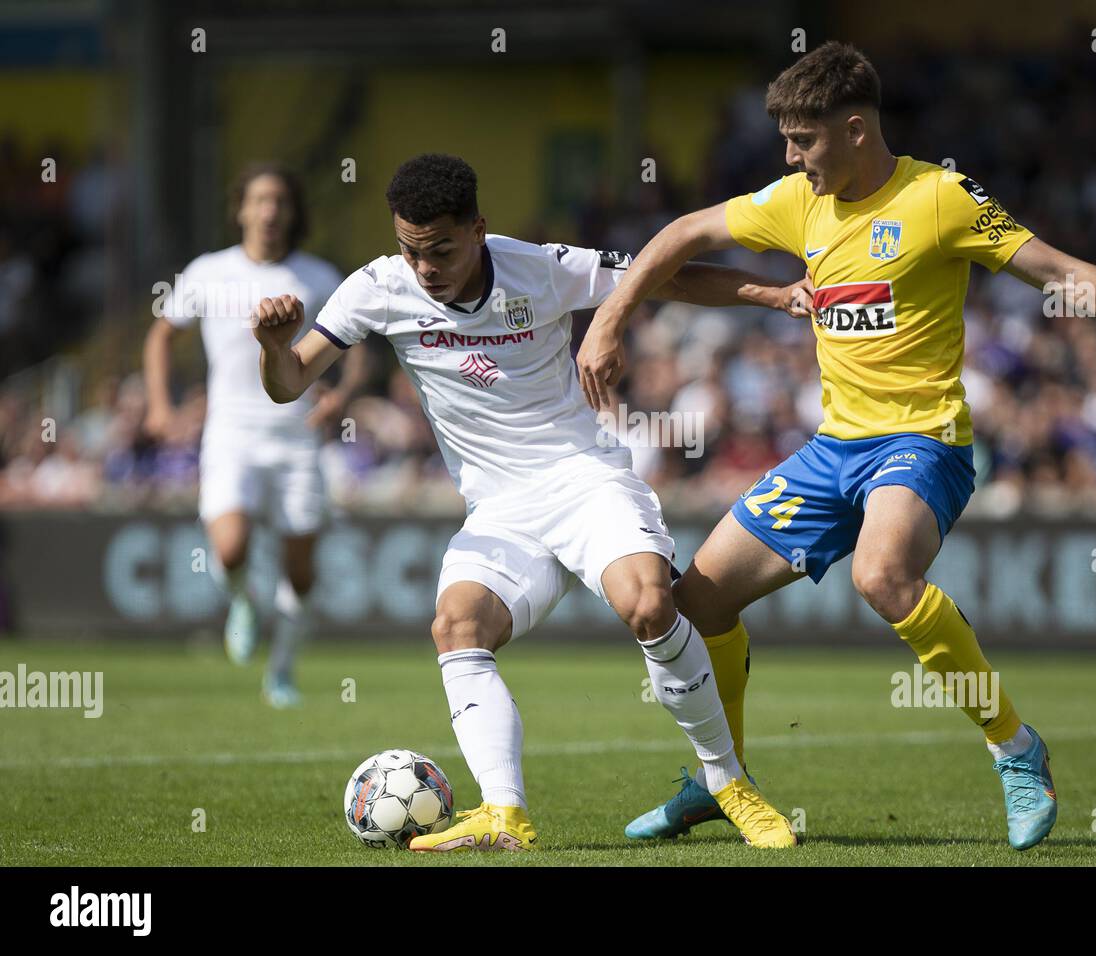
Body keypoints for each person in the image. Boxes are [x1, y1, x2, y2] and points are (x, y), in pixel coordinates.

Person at [576, 41, 1096, 850]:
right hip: (834, 449)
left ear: (854, 129)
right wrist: (611, 318)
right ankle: (719, 778)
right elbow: (682, 234)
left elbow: (1056, 271)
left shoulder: (940, 198)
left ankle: (1016, 750)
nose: (790, 157)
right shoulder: (798, 201)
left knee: (882, 576)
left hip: (924, 440)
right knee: (694, 608)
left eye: (803, 141)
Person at [253, 153, 809, 852]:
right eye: (410, 248)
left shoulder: (540, 266)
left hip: (583, 478)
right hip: (499, 509)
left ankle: (728, 783)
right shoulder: (377, 288)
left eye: (442, 249)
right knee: (456, 627)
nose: (424, 266)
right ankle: (504, 814)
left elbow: (663, 275)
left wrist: (773, 295)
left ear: (479, 229)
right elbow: (289, 381)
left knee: (648, 604)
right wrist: (274, 349)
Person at [144, 163, 366, 708]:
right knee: (231, 544)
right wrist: (158, 405)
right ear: (240, 208)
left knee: (301, 569)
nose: (270, 211)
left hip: (296, 438)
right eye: (260, 200)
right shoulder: (207, 272)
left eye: (280, 202)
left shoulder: (316, 277)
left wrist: (342, 394)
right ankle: (242, 599)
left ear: (292, 213)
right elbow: (160, 336)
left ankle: (282, 672)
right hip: (231, 433)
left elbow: (357, 350)